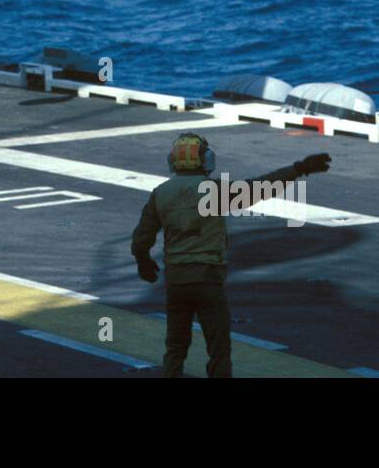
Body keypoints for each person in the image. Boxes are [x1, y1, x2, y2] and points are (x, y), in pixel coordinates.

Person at [130, 132, 332, 377]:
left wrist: (144, 263)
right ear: (204, 160)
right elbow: (259, 188)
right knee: (218, 348)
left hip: (177, 280)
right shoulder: (214, 190)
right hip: (208, 279)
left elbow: (142, 238)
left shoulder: (161, 193)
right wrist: (299, 169)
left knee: (175, 346)